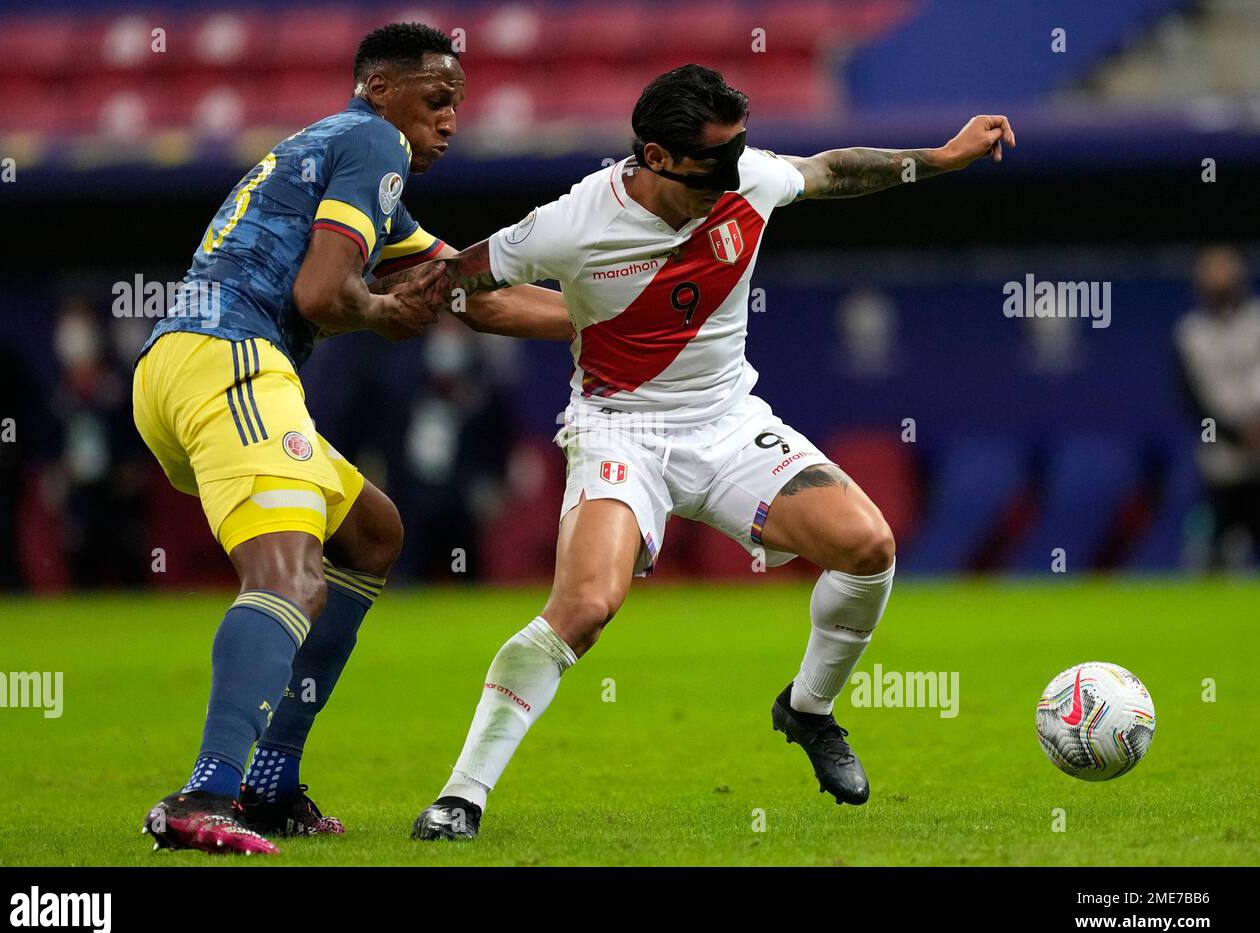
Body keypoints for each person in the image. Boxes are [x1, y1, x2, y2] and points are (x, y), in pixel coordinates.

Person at [408, 64, 1013, 840]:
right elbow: (465, 287)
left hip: (728, 423)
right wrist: (580, 321)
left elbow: (831, 170)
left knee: (868, 546)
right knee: (585, 608)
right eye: (715, 162)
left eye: (741, 152)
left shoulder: (748, 179)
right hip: (620, 429)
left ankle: (808, 710)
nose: (735, 174)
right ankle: (462, 796)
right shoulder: (570, 223)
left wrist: (939, 157)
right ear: (657, 157)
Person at [132, 22, 570, 855]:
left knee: (372, 532)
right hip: (227, 358)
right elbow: (324, 293)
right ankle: (205, 795)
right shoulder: (373, 141)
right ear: (380, 90)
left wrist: (609, 325)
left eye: (459, 107)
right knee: (289, 581)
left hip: (195, 368)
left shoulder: (353, 171)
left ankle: (270, 783)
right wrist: (380, 311)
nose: (450, 121)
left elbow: (468, 290)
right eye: (437, 101)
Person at [1175, 245, 1260, 568]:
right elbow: (1193, 401)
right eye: (1212, 277)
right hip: (1222, 462)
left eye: (1226, 274)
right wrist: (1237, 435)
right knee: (1215, 555)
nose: (1220, 285)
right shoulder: (1190, 333)